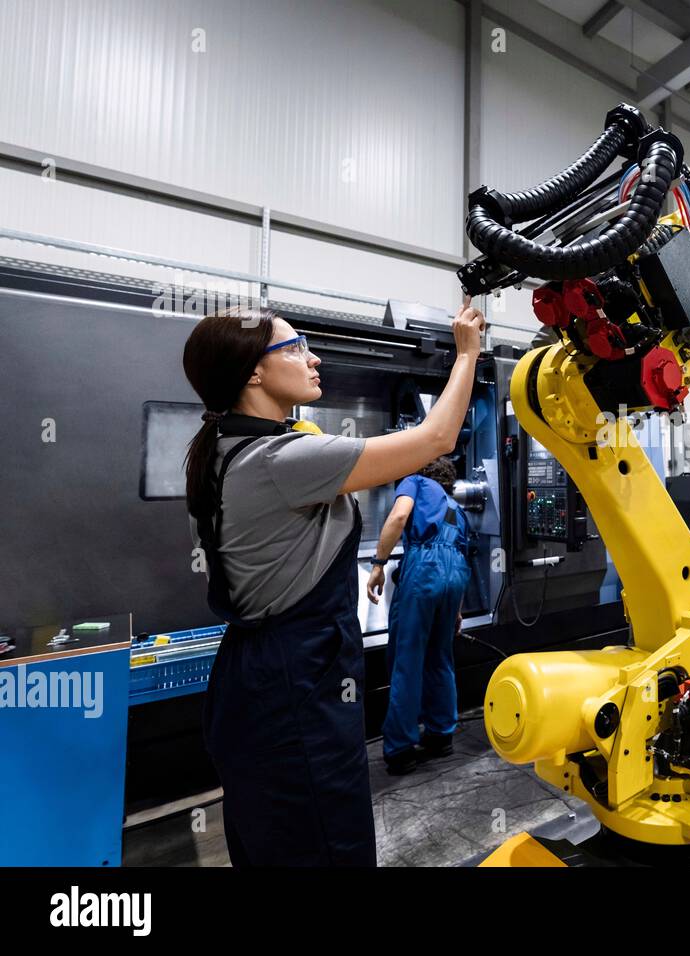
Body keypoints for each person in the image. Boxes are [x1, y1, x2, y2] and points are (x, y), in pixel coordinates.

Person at [181, 296, 485, 867]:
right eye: (295, 347)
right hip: (296, 684)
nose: (312, 358)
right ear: (254, 371)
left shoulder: (226, 450)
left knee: (278, 843)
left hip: (258, 676)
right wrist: (467, 352)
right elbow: (437, 438)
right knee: (325, 842)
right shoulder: (281, 459)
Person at [367, 456, 470, 774]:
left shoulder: (414, 482)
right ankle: (441, 736)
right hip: (455, 578)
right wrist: (457, 610)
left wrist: (378, 563)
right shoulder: (457, 509)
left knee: (407, 660)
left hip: (424, 569)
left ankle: (400, 749)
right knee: (440, 659)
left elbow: (398, 517)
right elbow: (462, 555)